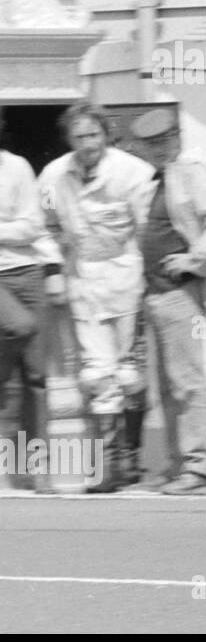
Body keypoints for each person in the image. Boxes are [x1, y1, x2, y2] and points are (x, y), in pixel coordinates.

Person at [38, 103, 156, 492]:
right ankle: (106, 465)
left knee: (129, 374)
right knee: (94, 372)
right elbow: (47, 225)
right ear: (69, 139)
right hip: (82, 281)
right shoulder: (53, 178)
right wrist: (54, 269)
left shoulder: (133, 173)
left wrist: (147, 279)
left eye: (94, 135)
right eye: (79, 137)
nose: (88, 144)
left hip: (126, 278)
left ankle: (132, 455)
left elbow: (147, 230)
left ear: (105, 135)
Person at [130, 109, 206, 495]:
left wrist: (194, 260)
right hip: (157, 295)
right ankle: (186, 468)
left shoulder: (191, 173)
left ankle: (204, 470)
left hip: (181, 295)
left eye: (163, 141)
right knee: (167, 388)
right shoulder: (155, 183)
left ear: (176, 138)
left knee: (189, 383)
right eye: (151, 144)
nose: (159, 149)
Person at [0, 109, 62, 489]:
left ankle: (35, 467)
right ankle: (7, 468)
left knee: (37, 376)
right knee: (7, 372)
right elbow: (19, 228)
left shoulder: (17, 167)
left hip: (28, 272)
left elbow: (33, 225)